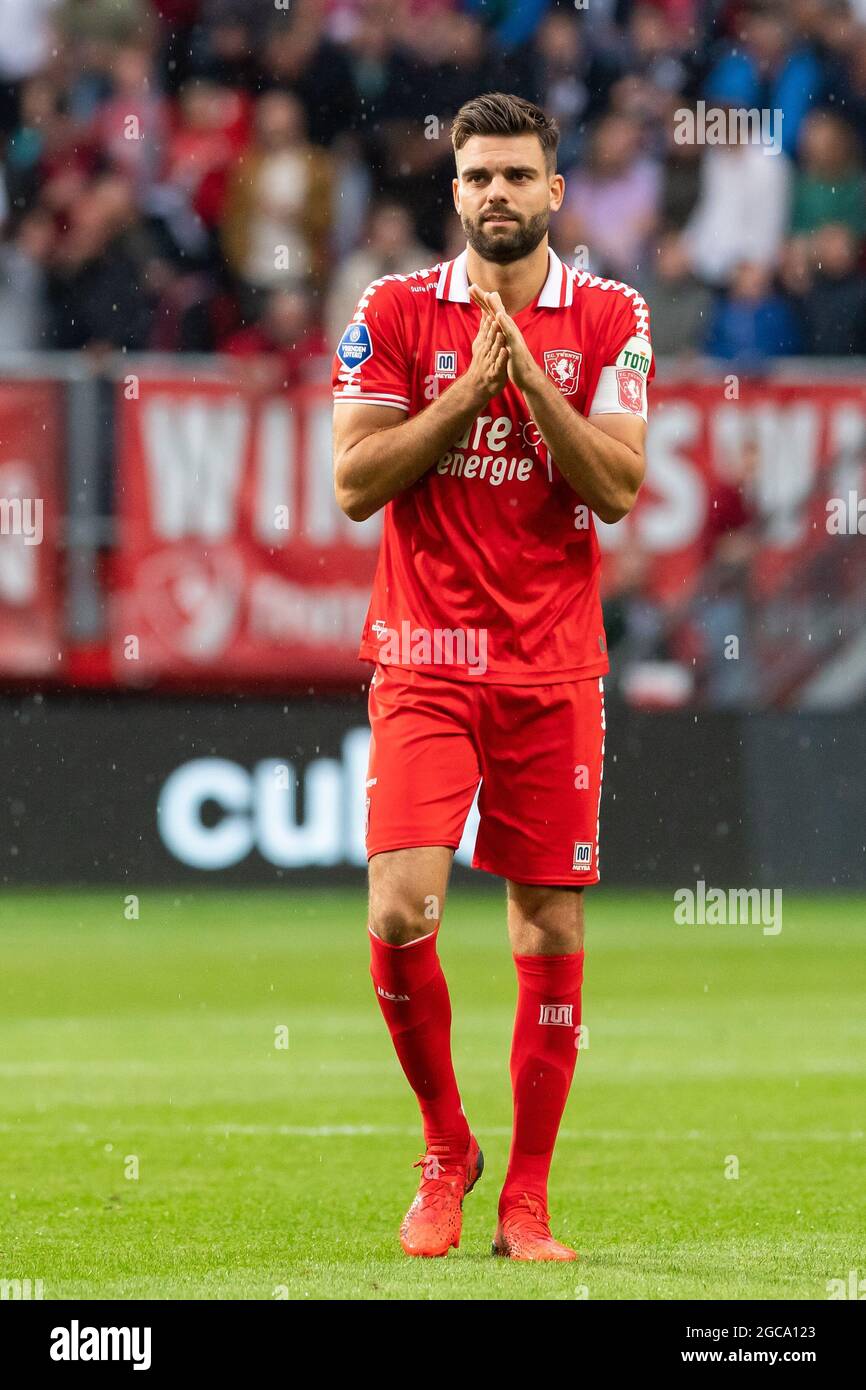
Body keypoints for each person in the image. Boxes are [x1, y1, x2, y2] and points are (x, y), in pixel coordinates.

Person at [331, 92, 654, 1261]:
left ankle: (524, 1200)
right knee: (398, 904)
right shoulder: (393, 312)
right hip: (422, 659)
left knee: (547, 930)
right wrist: (465, 392)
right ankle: (442, 1147)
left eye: (519, 175)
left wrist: (530, 388)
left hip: (551, 666)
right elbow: (355, 482)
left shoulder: (613, 317)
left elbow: (614, 489)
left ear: (554, 192)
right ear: (453, 191)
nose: (498, 195)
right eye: (477, 178)